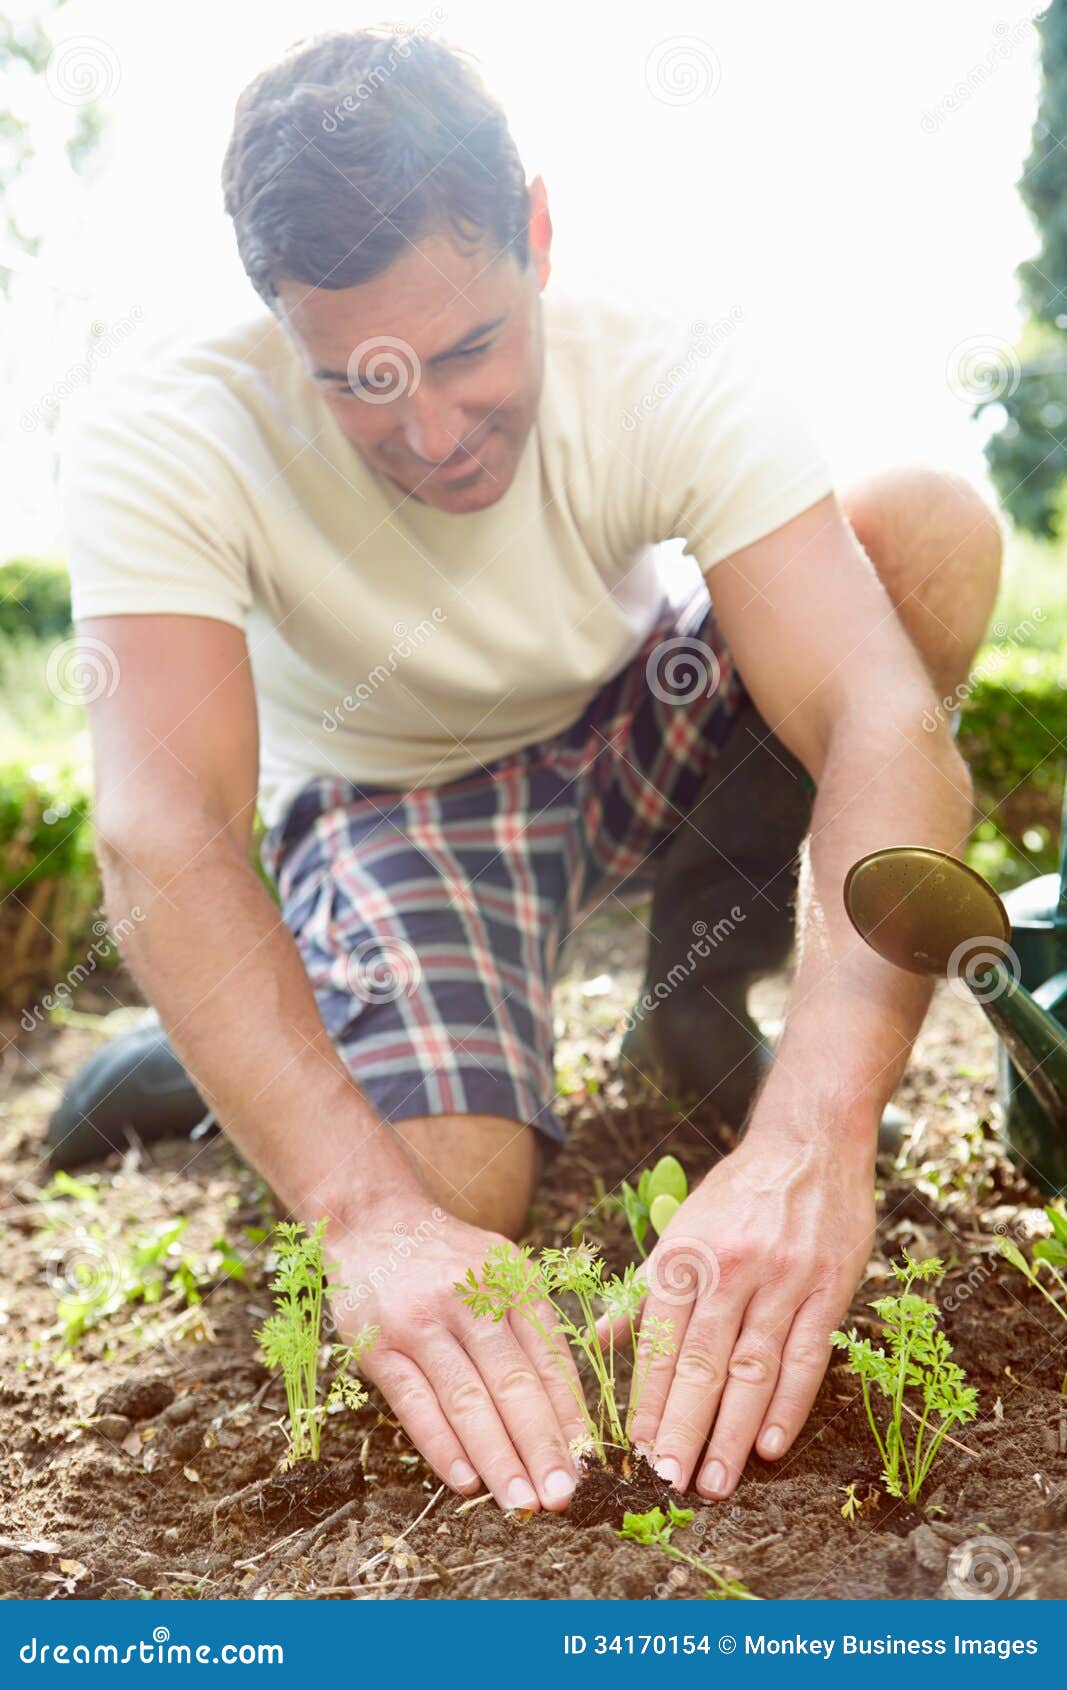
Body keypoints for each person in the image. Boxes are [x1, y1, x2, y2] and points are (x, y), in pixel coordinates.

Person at [60, 28, 1002, 1516]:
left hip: (639, 722)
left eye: (468, 351)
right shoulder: (163, 426)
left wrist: (815, 1141)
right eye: (362, 382)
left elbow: (882, 722)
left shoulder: (671, 351)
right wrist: (365, 1212)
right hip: (401, 805)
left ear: (538, 236)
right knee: (444, 1199)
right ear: (280, 323)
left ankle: (697, 997)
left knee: (929, 532)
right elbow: (165, 828)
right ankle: (256, 1017)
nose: (429, 433)